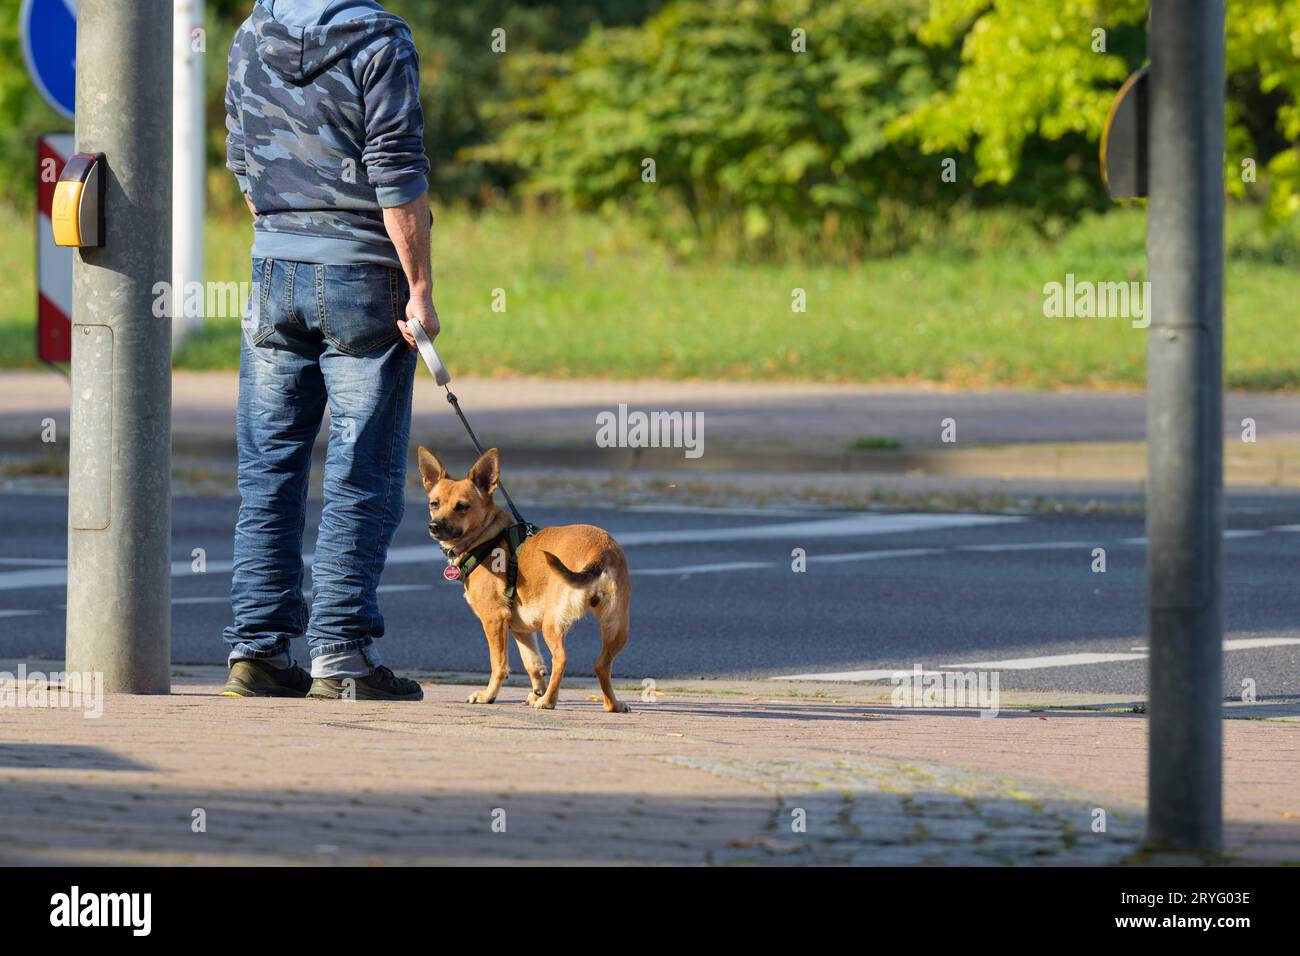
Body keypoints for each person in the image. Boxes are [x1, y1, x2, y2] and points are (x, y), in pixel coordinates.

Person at [219, 0, 438, 701]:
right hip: (363, 276)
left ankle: (258, 652)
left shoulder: (252, 33)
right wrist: (421, 287)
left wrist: (288, 236)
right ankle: (342, 653)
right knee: (361, 470)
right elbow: (397, 172)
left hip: (272, 274)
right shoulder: (382, 37)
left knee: (269, 471)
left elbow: (243, 163)